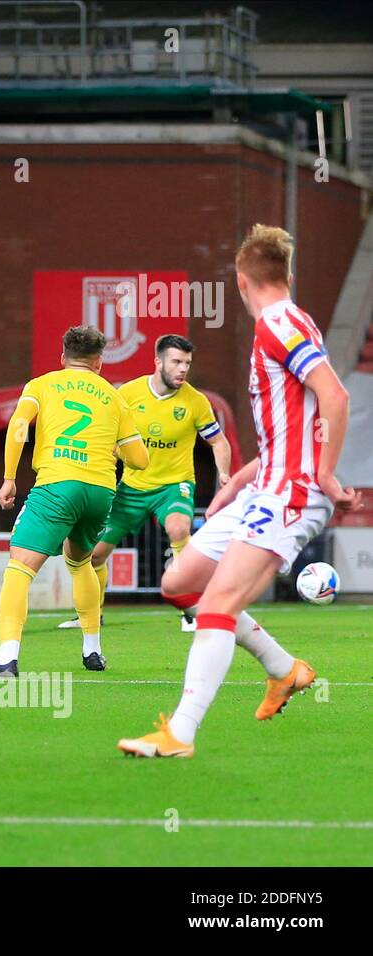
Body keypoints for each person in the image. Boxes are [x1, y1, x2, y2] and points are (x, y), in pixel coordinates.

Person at [119, 225, 361, 758]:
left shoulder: (279, 323)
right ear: (287, 275)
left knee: (217, 606)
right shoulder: (288, 324)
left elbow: (336, 397)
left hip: (290, 493)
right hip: (265, 486)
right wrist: (242, 481)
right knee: (180, 582)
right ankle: (283, 669)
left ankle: (179, 732)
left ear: (241, 280)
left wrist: (324, 474)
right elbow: (290, 428)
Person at [0, 325, 149, 677]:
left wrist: (8, 477)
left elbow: (19, 427)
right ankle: (93, 651)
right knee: (80, 562)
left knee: (19, 569)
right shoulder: (115, 398)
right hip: (99, 492)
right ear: (99, 363)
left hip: (57, 484)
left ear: (63, 357)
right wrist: (112, 447)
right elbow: (140, 460)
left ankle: (6, 660)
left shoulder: (42, 384)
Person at [57, 334, 233, 632]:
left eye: (187, 363)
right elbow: (109, 434)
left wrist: (225, 474)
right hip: (132, 488)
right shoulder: (128, 393)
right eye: (176, 362)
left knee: (178, 528)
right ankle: (91, 615)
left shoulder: (195, 402)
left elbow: (218, 442)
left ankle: (190, 611)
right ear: (158, 361)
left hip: (173, 486)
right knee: (95, 552)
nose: (182, 369)